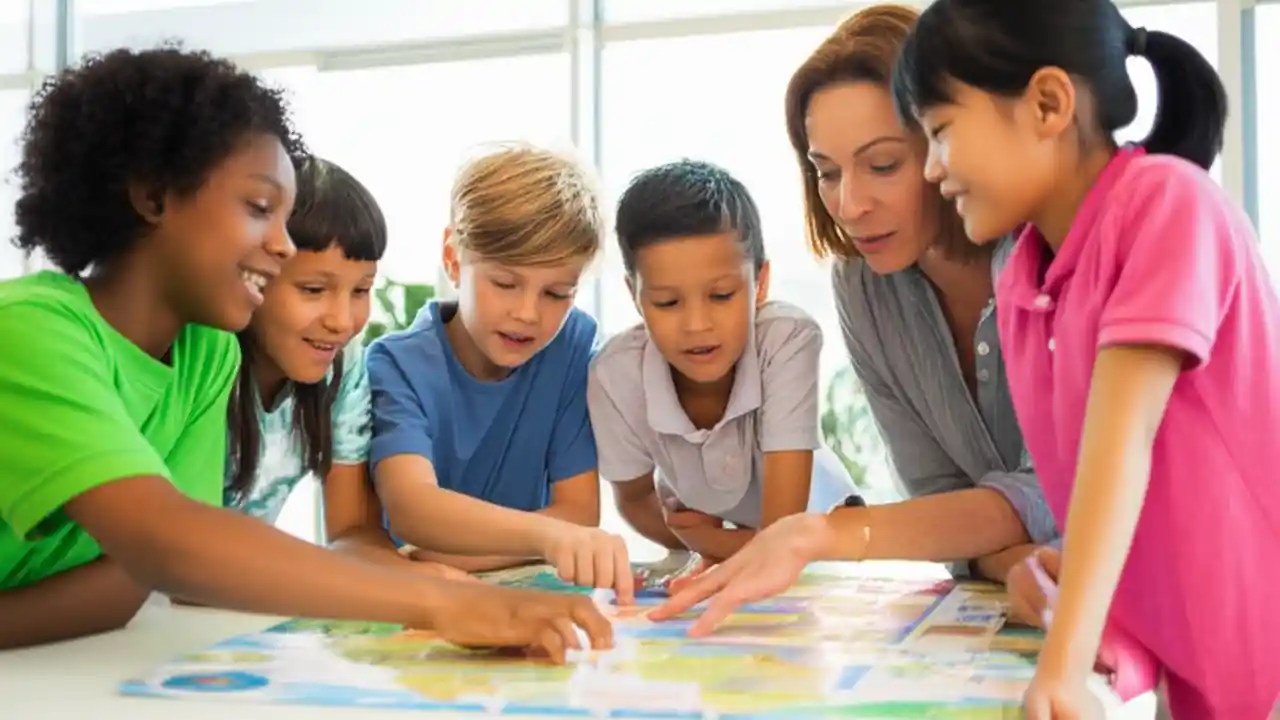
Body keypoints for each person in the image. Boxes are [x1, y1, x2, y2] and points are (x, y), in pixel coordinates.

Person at [0, 48, 610, 661]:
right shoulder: (31, 330)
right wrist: (441, 601)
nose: (283, 245)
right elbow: (171, 548)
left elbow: (140, 579)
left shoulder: (205, 355)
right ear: (155, 196)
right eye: (260, 209)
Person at [893, 0, 1279, 716]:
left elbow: (1122, 442)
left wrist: (1063, 664)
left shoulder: (1171, 205)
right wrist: (1073, 576)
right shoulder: (1023, 287)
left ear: (1047, 102)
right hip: (1195, 670)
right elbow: (1139, 491)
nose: (934, 170)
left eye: (941, 131)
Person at [650, 3, 1057, 634]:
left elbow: (1055, 488)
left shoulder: (1046, 255)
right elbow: (936, 500)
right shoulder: (862, 285)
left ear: (946, 142)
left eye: (883, 165)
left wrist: (822, 534)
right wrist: (1017, 561)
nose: (849, 204)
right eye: (827, 172)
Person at [367, 144, 634, 601]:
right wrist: (545, 539)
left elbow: (579, 513)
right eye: (505, 284)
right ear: (453, 258)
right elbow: (414, 508)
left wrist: (443, 554)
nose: (528, 313)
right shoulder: (396, 365)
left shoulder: (571, 348)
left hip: (524, 602)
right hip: (420, 605)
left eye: (556, 293)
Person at [588, 159, 855, 565]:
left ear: (760, 283)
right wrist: (698, 541)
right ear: (635, 295)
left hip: (833, 543)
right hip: (736, 553)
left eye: (722, 295)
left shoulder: (786, 339)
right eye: (667, 302)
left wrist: (712, 545)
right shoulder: (615, 374)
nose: (697, 325)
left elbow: (786, 533)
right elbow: (634, 499)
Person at [224, 155, 466, 581]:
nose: (341, 320)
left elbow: (353, 532)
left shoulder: (344, 365)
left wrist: (413, 582)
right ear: (255, 272)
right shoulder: (207, 362)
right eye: (314, 289)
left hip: (227, 609)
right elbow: (188, 556)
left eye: (361, 290)